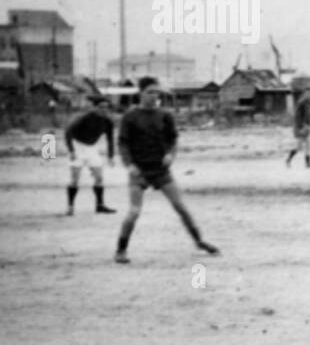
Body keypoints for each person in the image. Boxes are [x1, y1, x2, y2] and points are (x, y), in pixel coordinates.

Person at [114, 77, 219, 263]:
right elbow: (122, 144)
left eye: (157, 92)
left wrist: (171, 155)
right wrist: (129, 164)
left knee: (181, 207)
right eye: (150, 92)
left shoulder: (165, 115)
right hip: (139, 171)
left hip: (161, 171)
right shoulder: (130, 116)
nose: (154, 96)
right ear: (141, 93)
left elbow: (173, 140)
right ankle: (121, 250)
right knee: (134, 212)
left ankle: (199, 241)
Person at [64, 97, 116, 216]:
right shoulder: (84, 118)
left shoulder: (108, 121)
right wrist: (71, 150)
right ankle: (70, 206)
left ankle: (100, 205)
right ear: (94, 107)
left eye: (106, 107)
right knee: (75, 178)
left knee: (99, 177)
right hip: (78, 145)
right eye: (101, 107)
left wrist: (111, 156)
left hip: (92, 148)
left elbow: (110, 139)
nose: (104, 110)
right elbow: (68, 132)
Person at [286, 90, 310, 167]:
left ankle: (290, 160)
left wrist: (309, 122)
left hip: (305, 127)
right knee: (302, 145)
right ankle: (306, 163)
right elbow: (297, 116)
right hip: (301, 127)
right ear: (307, 95)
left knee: (303, 145)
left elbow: (307, 116)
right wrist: (302, 126)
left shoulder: (307, 104)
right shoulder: (301, 103)